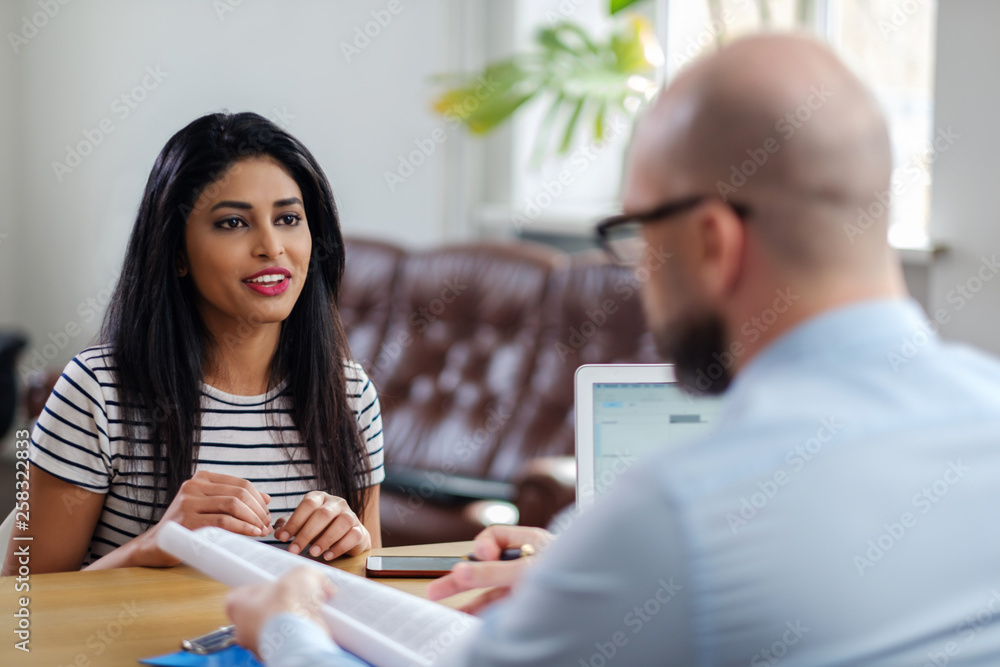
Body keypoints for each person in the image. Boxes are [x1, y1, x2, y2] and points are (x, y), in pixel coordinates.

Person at [227, 33, 1000, 665]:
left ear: (710, 243)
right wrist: (585, 576)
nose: (638, 277)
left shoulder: (679, 514)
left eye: (638, 237)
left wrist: (285, 624)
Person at [1, 112, 384, 574]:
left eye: (287, 218)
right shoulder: (95, 393)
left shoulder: (350, 394)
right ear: (177, 253)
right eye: (232, 223)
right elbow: (23, 613)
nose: (271, 246)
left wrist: (354, 546)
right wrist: (153, 546)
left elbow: (370, 592)